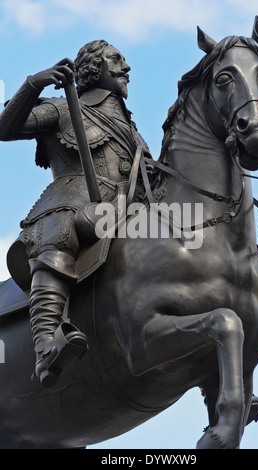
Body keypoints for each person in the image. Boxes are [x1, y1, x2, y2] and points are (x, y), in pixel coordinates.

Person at [0, 40, 151, 387]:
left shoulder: (135, 136)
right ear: (92, 68)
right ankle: (46, 345)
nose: (125, 67)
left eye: (125, 61)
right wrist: (32, 84)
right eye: (116, 60)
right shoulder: (63, 108)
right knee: (63, 233)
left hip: (124, 210)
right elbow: (3, 129)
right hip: (71, 202)